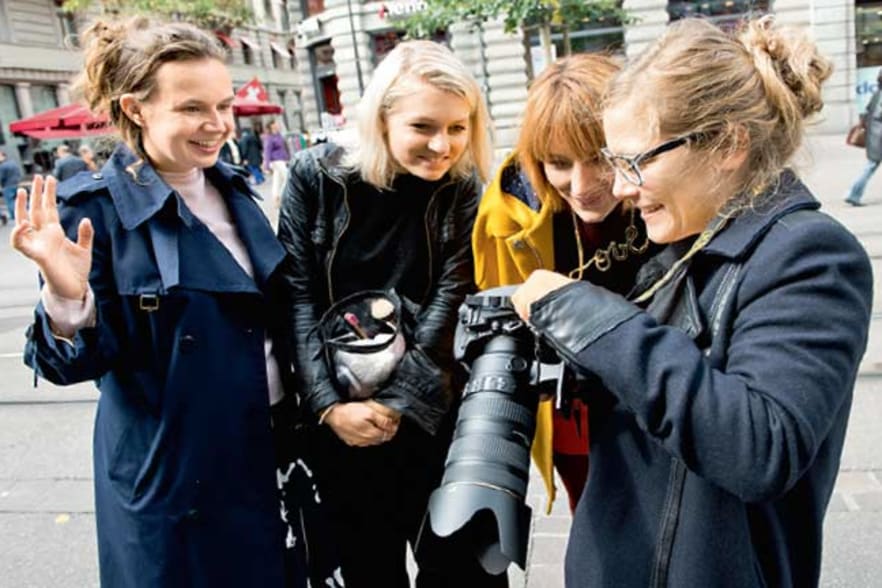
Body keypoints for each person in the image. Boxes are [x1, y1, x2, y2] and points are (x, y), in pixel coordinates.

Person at [509, 16, 872, 587]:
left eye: (634, 161)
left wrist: (583, 312)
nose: (621, 188)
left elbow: (759, 446)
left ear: (728, 145)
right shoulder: (685, 240)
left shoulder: (811, 255)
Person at [9, 17, 307, 587]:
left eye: (223, 106)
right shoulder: (93, 213)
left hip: (264, 456)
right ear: (137, 109)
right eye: (192, 108)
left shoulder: (233, 189)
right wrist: (67, 297)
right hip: (172, 480)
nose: (217, 124)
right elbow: (66, 363)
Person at [277, 40, 499, 587]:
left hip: (436, 418)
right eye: (423, 126)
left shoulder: (464, 187)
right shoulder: (315, 177)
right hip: (341, 424)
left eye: (458, 127)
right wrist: (329, 408)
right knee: (366, 571)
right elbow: (297, 297)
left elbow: (452, 303)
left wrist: (399, 405)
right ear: (381, 119)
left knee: (462, 573)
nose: (442, 144)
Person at [473, 53, 659, 513]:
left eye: (598, 157)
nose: (581, 184)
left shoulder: (664, 186)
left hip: (661, 393)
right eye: (558, 162)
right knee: (596, 516)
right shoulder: (506, 212)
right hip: (570, 408)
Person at [845, 68, 882, 206]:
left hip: (875, 137)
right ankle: (854, 194)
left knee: (870, 166)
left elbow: (867, 113)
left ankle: (854, 194)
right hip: (879, 138)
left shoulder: (877, 93)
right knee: (870, 166)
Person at [263, 119, 290, 206]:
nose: (278, 125)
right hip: (276, 161)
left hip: (282, 160)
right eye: (275, 124)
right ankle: (280, 197)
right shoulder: (270, 138)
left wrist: (287, 157)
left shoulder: (279, 135)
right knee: (287, 177)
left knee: (277, 180)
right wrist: (266, 165)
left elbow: (283, 148)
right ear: (272, 126)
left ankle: (276, 198)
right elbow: (267, 151)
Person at [0, 149, 22, 224]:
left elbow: (1, 177)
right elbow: (19, 173)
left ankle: (14, 216)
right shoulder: (13, 163)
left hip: (7, 186)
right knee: (17, 200)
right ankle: (20, 214)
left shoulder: (2, 166)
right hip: (16, 184)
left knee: (10, 202)